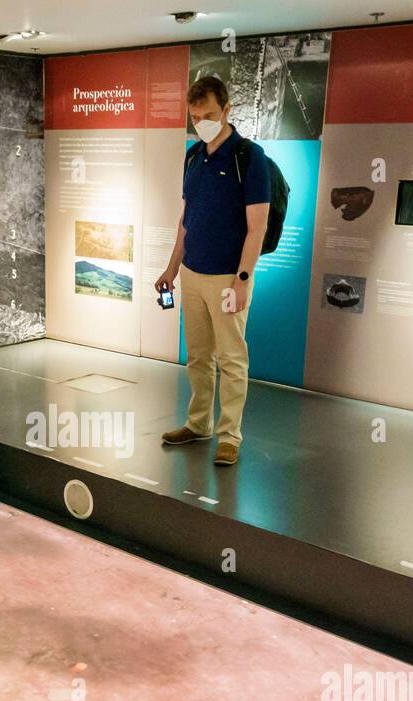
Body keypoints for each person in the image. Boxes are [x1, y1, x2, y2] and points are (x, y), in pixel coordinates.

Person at [155, 76, 271, 467]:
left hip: (227, 279)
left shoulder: (249, 158)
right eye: (194, 117)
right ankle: (198, 423)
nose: (201, 122)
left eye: (207, 115)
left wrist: (242, 280)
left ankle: (229, 436)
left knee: (232, 358)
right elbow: (186, 220)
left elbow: (258, 227)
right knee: (199, 357)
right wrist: (171, 268)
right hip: (192, 273)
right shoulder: (193, 156)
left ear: (226, 109)